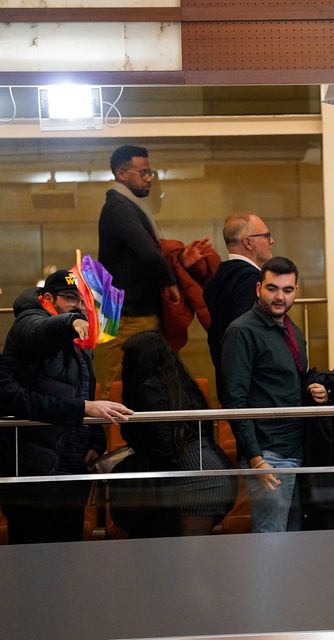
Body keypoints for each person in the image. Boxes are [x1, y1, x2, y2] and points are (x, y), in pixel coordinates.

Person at [0, 270, 131, 544]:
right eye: (70, 298)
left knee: (67, 556)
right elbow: (39, 331)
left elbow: (85, 390)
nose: (79, 306)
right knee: (32, 559)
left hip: (70, 468)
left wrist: (94, 439)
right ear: (48, 298)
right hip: (33, 472)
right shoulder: (29, 321)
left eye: (83, 300)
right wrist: (71, 322)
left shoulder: (81, 340)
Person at [221, 257, 329, 533]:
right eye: (272, 288)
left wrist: (315, 391)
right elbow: (234, 399)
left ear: (296, 291)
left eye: (288, 290)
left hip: (296, 447)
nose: (280, 296)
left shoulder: (293, 330)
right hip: (268, 452)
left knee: (290, 543)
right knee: (271, 543)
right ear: (258, 289)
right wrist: (256, 458)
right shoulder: (242, 331)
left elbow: (286, 382)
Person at [97, 144, 213, 393]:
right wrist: (170, 282)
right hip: (127, 315)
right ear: (121, 173)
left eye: (151, 172)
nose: (149, 178)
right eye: (143, 173)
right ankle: (110, 433)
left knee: (148, 382)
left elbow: (150, 252)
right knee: (117, 386)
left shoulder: (128, 205)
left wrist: (181, 260)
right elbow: (146, 251)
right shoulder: (119, 206)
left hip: (132, 311)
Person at [112, 330, 237, 537]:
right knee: (187, 561)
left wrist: (122, 464)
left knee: (187, 563)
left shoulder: (148, 389)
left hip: (195, 483)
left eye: (127, 359)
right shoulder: (181, 384)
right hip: (216, 471)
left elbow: (163, 448)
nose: (123, 365)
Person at [203, 212, 275, 396]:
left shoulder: (220, 276)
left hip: (228, 382)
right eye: (266, 236)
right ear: (248, 242)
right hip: (252, 388)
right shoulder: (251, 280)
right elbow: (244, 338)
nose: (272, 241)